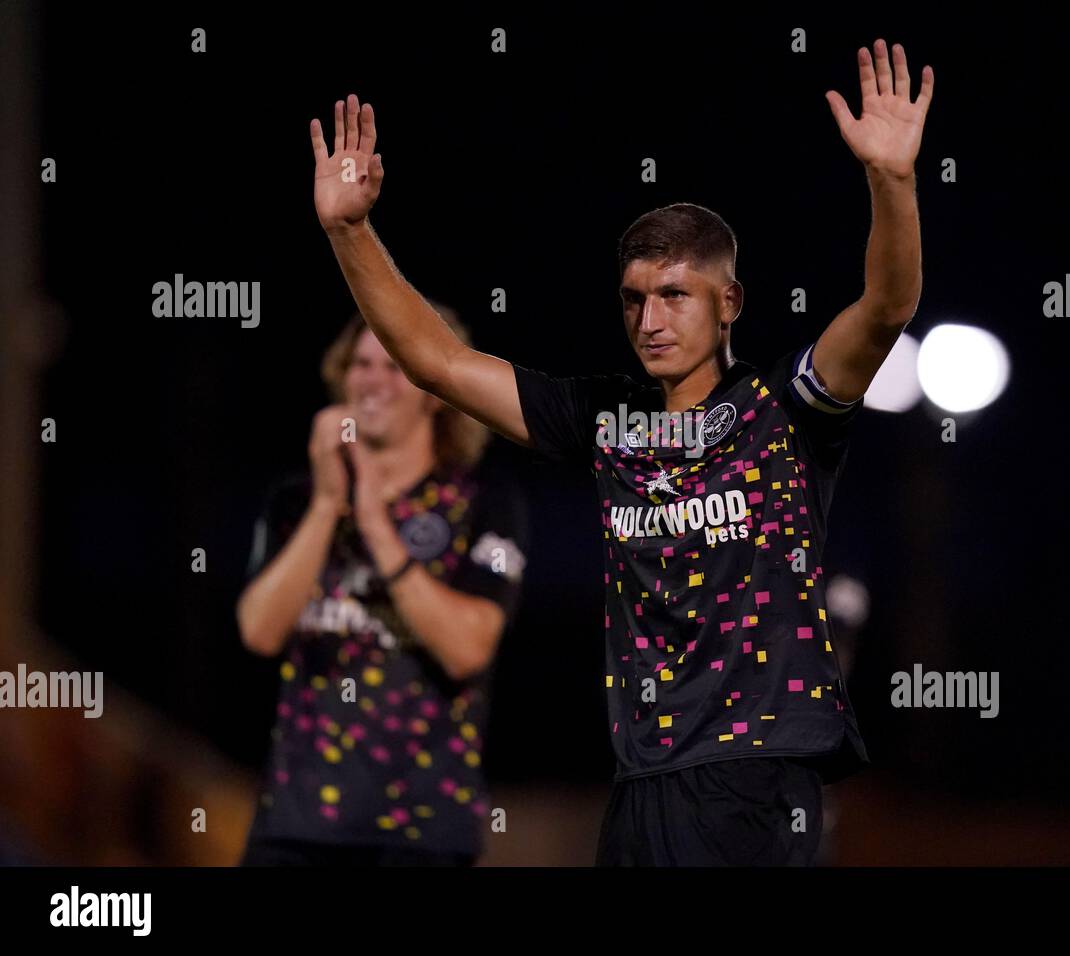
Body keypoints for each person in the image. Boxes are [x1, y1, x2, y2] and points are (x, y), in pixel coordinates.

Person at [308, 37, 932, 865]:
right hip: (642, 784)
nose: (651, 320)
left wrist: (890, 179)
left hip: (756, 778)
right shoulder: (604, 417)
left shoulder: (785, 411)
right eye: (635, 299)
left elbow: (887, 304)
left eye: (675, 295)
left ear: (730, 302)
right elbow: (439, 362)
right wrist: (349, 230)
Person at [236, 311, 528, 866]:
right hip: (294, 829)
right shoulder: (295, 504)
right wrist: (328, 504)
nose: (373, 381)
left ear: (435, 389)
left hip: (419, 836)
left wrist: (372, 518)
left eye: (395, 367)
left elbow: (468, 649)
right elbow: (259, 631)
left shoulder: (484, 504)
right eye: (361, 364)